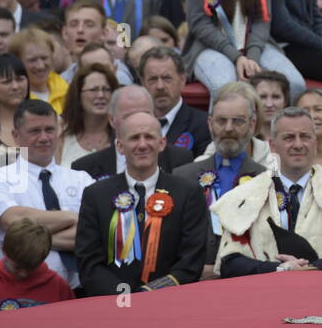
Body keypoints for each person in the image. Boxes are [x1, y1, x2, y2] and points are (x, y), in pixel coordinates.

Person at [213, 106, 322, 276]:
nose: (298, 145)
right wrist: (278, 270)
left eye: (305, 136)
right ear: (272, 145)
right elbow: (230, 262)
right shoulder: (242, 196)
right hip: (264, 296)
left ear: (315, 142)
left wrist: (313, 269)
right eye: (289, 137)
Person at [74, 108, 208, 294]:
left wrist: (150, 293)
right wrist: (125, 296)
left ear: (162, 143)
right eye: (134, 138)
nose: (142, 144)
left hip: (171, 301)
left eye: (149, 137)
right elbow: (89, 262)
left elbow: (191, 260)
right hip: (113, 304)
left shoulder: (188, 193)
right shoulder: (95, 195)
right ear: (120, 146)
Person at [0, 100, 92, 291]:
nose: (44, 137)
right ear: (16, 136)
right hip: (16, 291)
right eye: (35, 131)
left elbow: (93, 233)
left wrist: (27, 243)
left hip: (77, 291)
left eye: (49, 129)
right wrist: (73, 218)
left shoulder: (81, 179)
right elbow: (12, 220)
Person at [172, 84, 267, 276]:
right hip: (193, 282)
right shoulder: (183, 177)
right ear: (209, 123)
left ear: (252, 124)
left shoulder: (267, 179)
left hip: (248, 280)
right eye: (221, 121)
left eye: (238, 121)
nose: (228, 128)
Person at [70, 85, 195, 179]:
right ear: (112, 120)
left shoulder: (180, 160)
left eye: (145, 114)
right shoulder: (84, 169)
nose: (138, 122)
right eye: (129, 117)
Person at [0, 217, 75, 314]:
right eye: (17, 267)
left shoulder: (58, 286)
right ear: (4, 251)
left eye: (31, 267)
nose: (23, 273)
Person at [137, 46, 212, 155]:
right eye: (153, 79)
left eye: (167, 78)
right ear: (143, 84)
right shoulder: (133, 123)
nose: (160, 86)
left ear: (182, 80)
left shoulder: (203, 125)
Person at [56, 62, 118, 166]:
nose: (101, 95)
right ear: (78, 95)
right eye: (93, 90)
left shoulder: (121, 134)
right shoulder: (61, 134)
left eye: (106, 89)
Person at [8, 27, 67, 113]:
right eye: (32, 60)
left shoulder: (67, 91)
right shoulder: (12, 100)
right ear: (17, 61)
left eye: (44, 58)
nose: (41, 66)